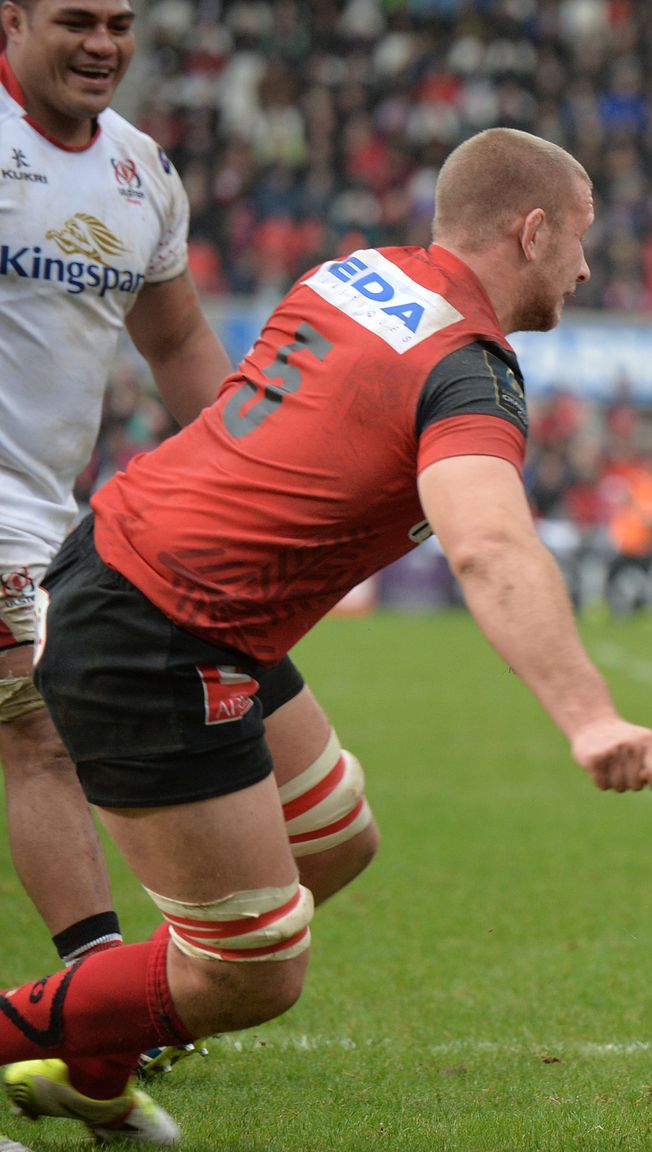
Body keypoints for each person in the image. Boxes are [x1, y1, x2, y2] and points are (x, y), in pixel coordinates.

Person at [0, 126, 652, 1140]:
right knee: (256, 969)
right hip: (157, 626)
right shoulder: (469, 372)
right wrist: (587, 717)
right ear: (529, 233)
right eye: (579, 240)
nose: (583, 267)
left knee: (335, 838)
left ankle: (92, 1065)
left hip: (169, 586)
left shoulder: (356, 273)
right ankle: (47, 1042)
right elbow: (487, 547)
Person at [0, 0, 376, 1137]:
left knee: (339, 834)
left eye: (120, 20)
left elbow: (172, 342)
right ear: (13, 17)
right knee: (35, 727)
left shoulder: (139, 172)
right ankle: (87, 1014)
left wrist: (252, 493)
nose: (104, 42)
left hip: (88, 521)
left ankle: (105, 1025)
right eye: (76, 19)